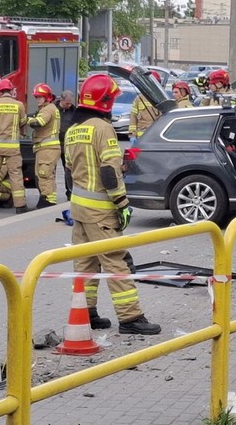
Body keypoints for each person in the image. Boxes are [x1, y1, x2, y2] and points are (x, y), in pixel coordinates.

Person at [64, 74, 162, 335]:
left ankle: (86, 312)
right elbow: (109, 171)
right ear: (105, 101)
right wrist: (122, 204)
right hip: (100, 209)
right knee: (115, 261)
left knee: (84, 262)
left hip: (79, 208)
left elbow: (69, 168)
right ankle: (131, 318)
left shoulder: (73, 130)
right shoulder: (103, 128)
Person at [0, 79, 29, 214]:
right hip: (12, 148)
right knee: (16, 175)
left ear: (0, 90)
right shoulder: (19, 105)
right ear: (11, 90)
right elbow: (23, 123)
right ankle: (20, 206)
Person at [26, 83, 61, 209]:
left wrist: (26, 120)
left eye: (40, 97)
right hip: (46, 148)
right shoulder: (50, 108)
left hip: (47, 148)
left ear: (47, 97)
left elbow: (39, 122)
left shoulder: (48, 109)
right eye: (36, 97)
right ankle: (47, 198)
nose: (37, 99)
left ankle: (48, 200)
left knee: (44, 173)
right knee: (44, 174)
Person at [57, 90, 76, 201]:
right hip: (54, 144)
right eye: (67, 103)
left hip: (67, 145)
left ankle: (70, 192)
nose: (69, 105)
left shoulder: (74, 111)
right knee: (49, 171)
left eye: (70, 103)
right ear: (61, 100)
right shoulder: (53, 109)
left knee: (68, 169)